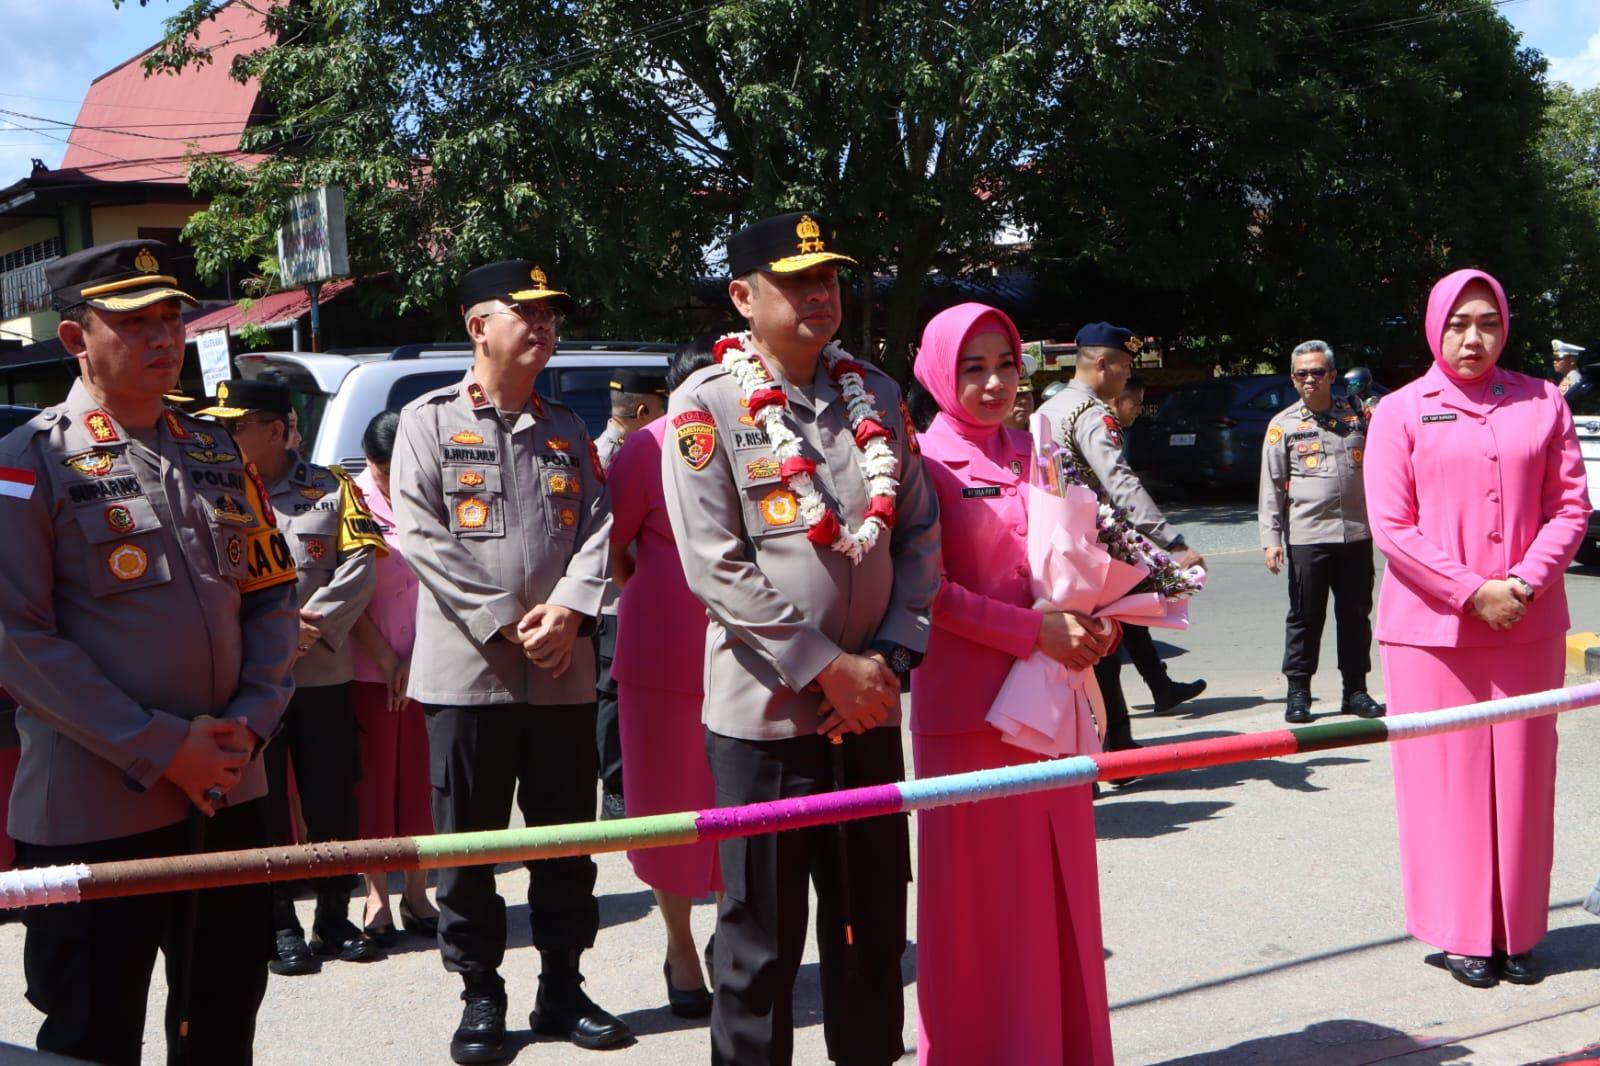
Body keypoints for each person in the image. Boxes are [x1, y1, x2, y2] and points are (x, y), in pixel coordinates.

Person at [0, 240, 299, 1064]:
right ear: (73, 339)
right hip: (99, 811)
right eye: (134, 322)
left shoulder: (215, 451)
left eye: (171, 318)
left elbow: (272, 597)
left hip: (231, 790)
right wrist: (166, 748)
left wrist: (250, 723)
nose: (162, 338)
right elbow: (16, 640)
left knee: (221, 1017)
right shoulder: (31, 461)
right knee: (93, 1032)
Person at [662, 211, 940, 1066]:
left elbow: (918, 537)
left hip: (869, 711)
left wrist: (886, 663)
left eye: (830, 278)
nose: (822, 294)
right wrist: (827, 670)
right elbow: (714, 566)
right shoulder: (705, 407)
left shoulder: (878, 396)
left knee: (869, 932)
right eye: (798, 281)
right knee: (760, 942)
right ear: (744, 297)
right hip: (767, 723)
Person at [392, 260, 630, 1063]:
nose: (542, 324)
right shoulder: (424, 421)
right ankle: (480, 994)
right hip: (468, 677)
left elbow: (599, 525)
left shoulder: (567, 428)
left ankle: (562, 988)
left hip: (562, 673)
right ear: (477, 326)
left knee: (565, 844)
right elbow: (420, 534)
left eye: (550, 314)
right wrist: (505, 622)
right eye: (523, 311)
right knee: (467, 850)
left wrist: (570, 608)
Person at [1364, 268, 1590, 988]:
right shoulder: (1400, 411)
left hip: (1526, 624)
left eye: (1487, 323)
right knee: (1448, 784)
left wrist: (1520, 584)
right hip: (1432, 635)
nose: (1473, 337)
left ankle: (1519, 931)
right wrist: (1470, 592)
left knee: (1524, 778)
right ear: (1435, 326)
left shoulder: (1542, 401)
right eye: (1459, 322)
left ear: (1506, 327)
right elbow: (1391, 527)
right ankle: (1463, 932)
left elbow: (1570, 508)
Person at [910, 302, 1115, 1065]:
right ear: (937, 371)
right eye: (973, 367)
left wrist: (1104, 618)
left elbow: (1087, 554)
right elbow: (928, 589)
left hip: (1052, 707)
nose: (994, 382)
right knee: (979, 908)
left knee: (1056, 895)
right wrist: (1037, 632)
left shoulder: (1042, 453)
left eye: (1005, 365)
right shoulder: (918, 462)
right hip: (970, 719)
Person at [200, 378, 387, 974]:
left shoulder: (331, 488)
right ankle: (278, 921)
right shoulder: (211, 491)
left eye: (239, 424)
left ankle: (334, 916)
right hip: (251, 681)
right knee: (264, 807)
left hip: (320, 678)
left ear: (278, 430)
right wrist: (276, 635)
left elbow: (361, 561)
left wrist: (314, 624)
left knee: (332, 799)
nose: (226, 434)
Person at [608, 342, 720, 1018]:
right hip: (662, 663)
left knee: (747, 813)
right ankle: (680, 945)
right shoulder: (644, 449)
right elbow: (613, 544)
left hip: (750, 653)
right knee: (669, 813)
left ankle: (734, 937)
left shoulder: (756, 436)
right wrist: (654, 597)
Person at [1036, 323, 1205, 758]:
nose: (1126, 378)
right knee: (1100, 648)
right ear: (1103, 363)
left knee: (1076, 655)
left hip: (1046, 544)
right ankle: (1108, 751)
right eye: (1125, 367)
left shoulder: (1047, 410)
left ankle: (1106, 749)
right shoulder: (1091, 413)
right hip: (1090, 547)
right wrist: (1173, 541)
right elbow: (1121, 483)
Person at [346, 410, 440, 947]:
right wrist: (386, 660)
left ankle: (419, 891)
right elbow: (346, 590)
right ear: (369, 461)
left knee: (420, 784)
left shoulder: (429, 491)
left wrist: (417, 659)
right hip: (367, 665)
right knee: (375, 784)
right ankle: (376, 895)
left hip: (429, 663)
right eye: (384, 469)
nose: (391, 478)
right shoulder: (350, 500)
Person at [1259, 341, 1385, 724]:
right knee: (1304, 617)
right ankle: (1299, 693)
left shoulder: (1359, 415)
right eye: (1302, 374)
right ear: (1293, 380)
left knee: (1355, 615)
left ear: (1332, 374)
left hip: (1356, 534)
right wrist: (1271, 540)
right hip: (1309, 537)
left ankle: (1356, 691)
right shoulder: (1283, 425)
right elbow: (1271, 485)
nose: (1310, 379)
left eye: (1317, 372)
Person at [594, 367, 670, 821]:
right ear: (643, 411)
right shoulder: (606, 454)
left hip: (633, 593)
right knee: (614, 695)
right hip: (615, 595)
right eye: (659, 412)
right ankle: (616, 790)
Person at [1113, 375, 1206, 715]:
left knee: (1131, 617)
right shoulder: (1101, 431)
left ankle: (1160, 686)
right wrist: (1171, 543)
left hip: (1114, 540)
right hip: (1096, 544)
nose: (1138, 411)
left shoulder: (1115, 431)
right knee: (1115, 624)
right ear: (1115, 400)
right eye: (1134, 404)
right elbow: (1124, 490)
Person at [1003, 351, 1038, 430]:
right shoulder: (984, 440)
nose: (1024, 401)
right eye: (1015, 395)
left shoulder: (1040, 435)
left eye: (1026, 393)